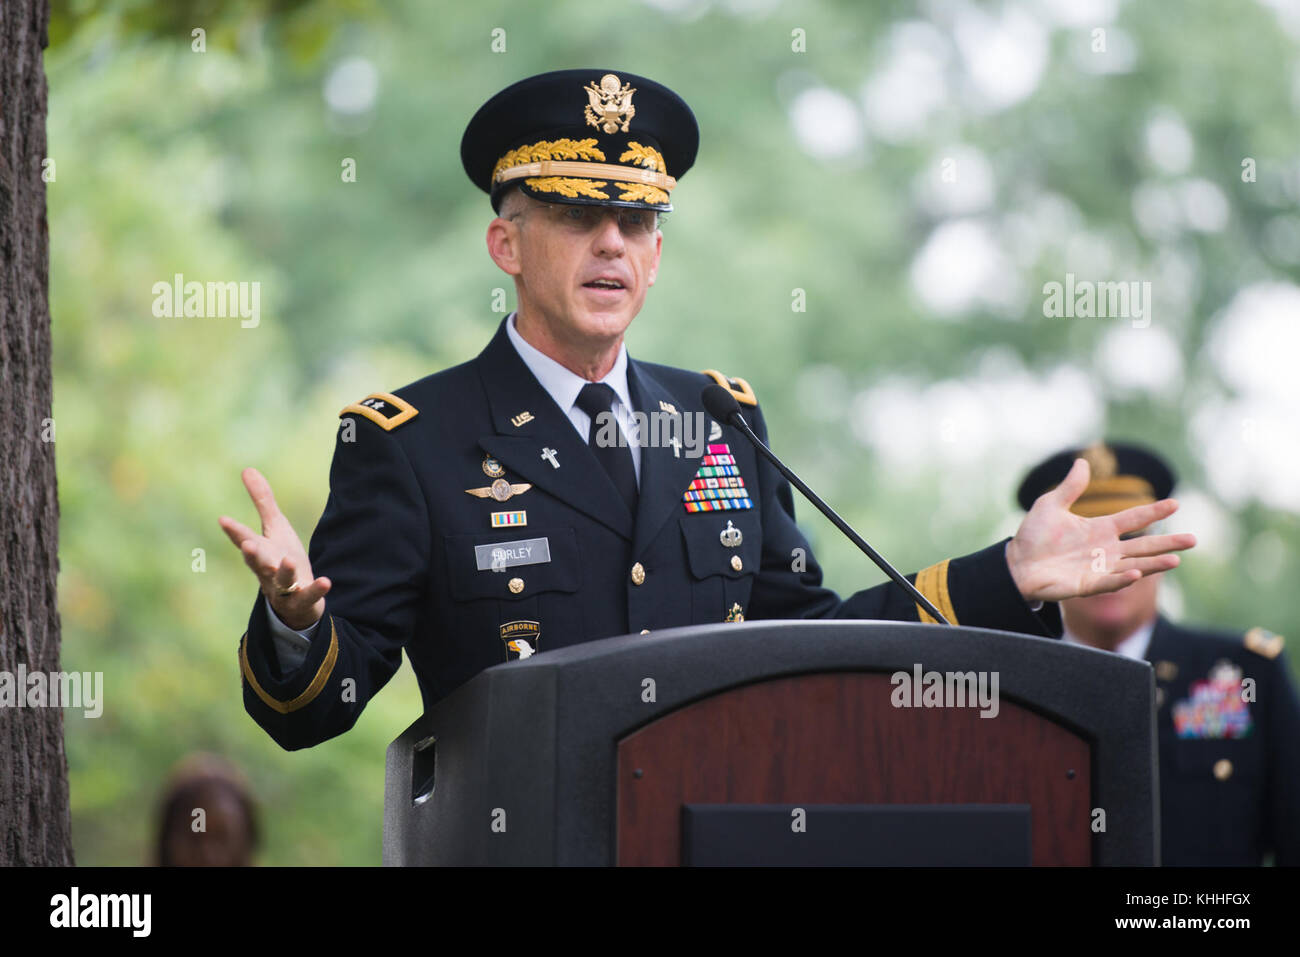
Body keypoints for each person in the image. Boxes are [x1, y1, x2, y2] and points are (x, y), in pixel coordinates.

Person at [220, 69, 1194, 751]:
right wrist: (296, 620)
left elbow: (815, 644)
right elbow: (312, 711)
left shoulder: (716, 416)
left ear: (657, 253)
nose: (611, 243)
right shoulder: (413, 440)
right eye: (576, 215)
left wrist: (1007, 573)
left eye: (637, 220)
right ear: (505, 246)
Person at [1017, 441, 1299, 865]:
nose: (1107, 561)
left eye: (1129, 540)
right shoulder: (1006, 684)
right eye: (1084, 543)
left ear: (1161, 548)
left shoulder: (1247, 675)